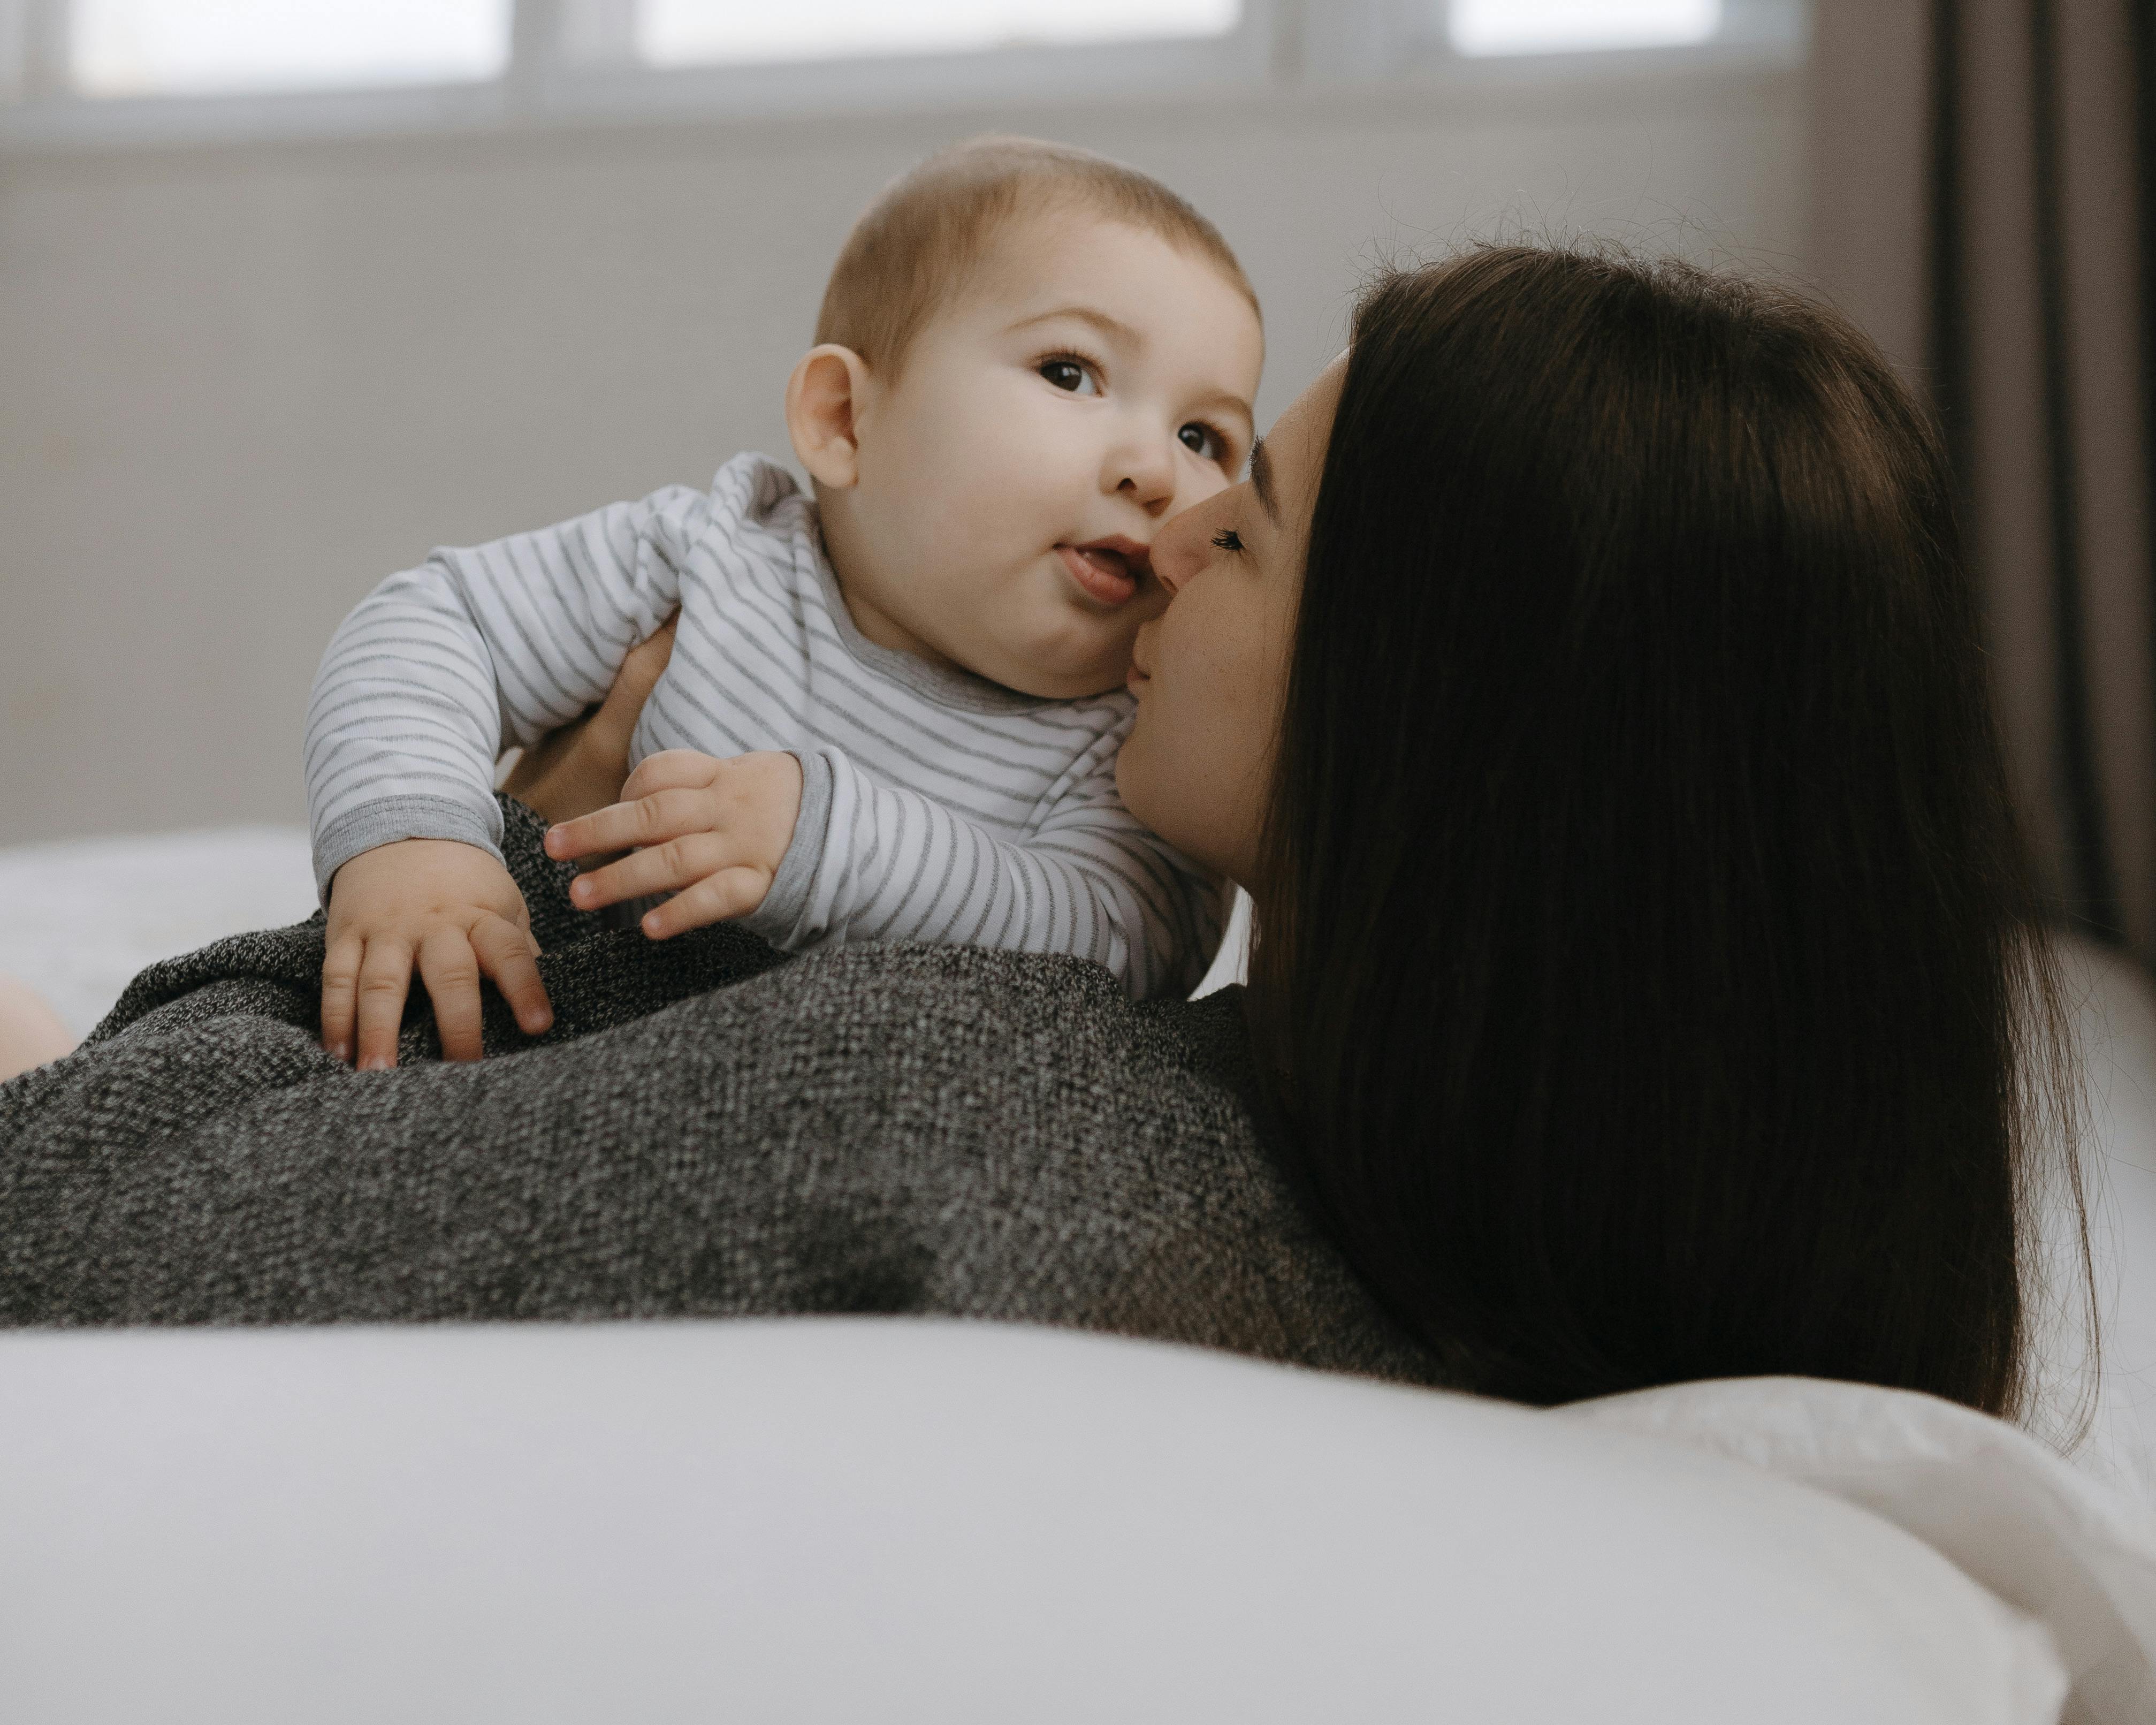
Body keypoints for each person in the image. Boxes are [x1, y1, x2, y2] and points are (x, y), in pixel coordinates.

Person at [0, 247, 2080, 1424]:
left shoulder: (968, 1094)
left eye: (1237, 518)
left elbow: (66, 1209)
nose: (1160, 534)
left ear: (1416, 743)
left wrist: (547, 876)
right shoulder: (1652, 1263)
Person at [305, 136, 1264, 1067]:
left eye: (1203, 437)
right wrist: (413, 838)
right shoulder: (710, 555)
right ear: (844, 421)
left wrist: (830, 841)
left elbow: (1126, 950)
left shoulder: (1128, 740)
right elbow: (437, 622)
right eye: (1071, 372)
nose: (1154, 471)